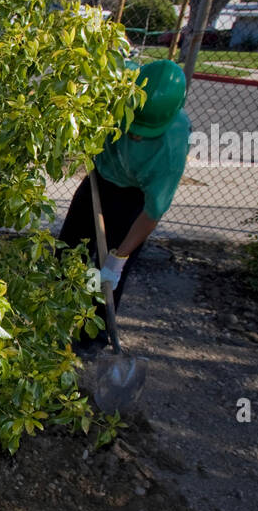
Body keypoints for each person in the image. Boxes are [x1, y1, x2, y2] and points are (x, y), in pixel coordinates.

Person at [56, 59, 191, 351]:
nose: (137, 135)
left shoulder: (171, 147)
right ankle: (54, 317)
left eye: (145, 131)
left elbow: (153, 211)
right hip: (100, 178)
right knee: (66, 250)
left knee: (109, 271)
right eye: (134, 125)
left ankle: (94, 334)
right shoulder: (116, 89)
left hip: (133, 197)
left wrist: (118, 259)